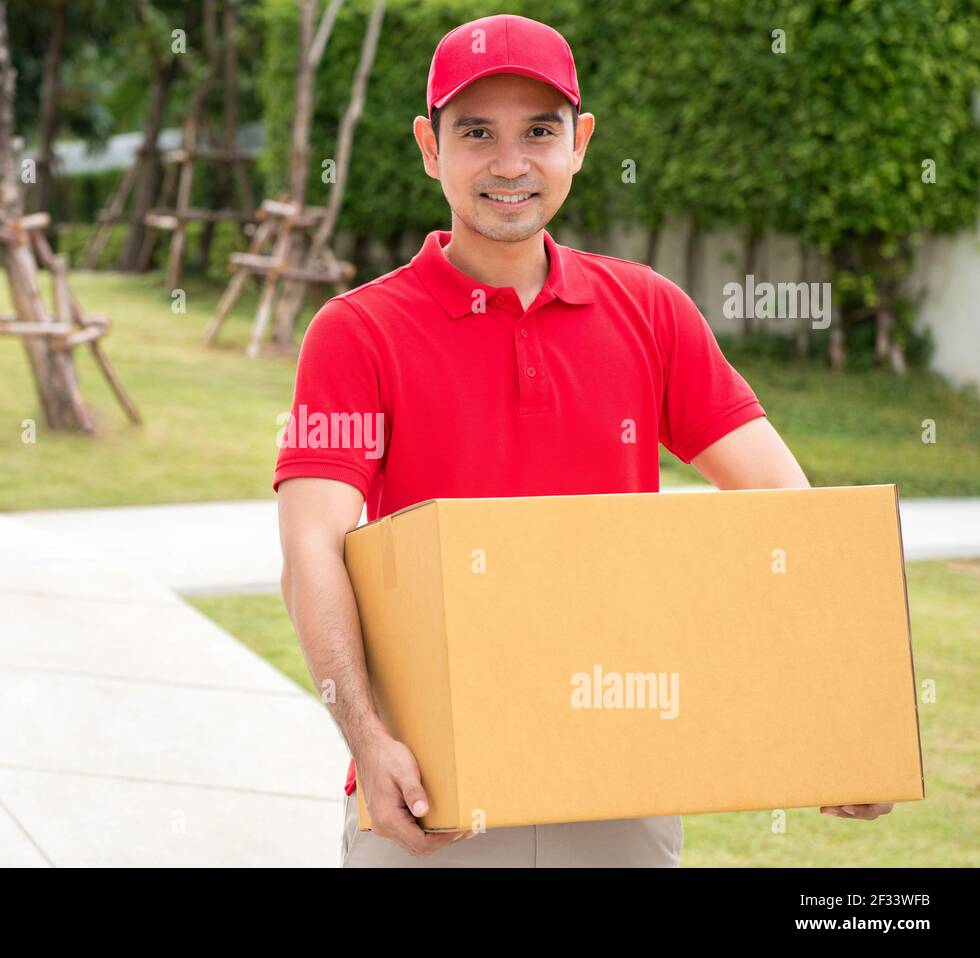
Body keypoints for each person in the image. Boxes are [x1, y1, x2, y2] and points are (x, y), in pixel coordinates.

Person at [273, 13, 893, 868]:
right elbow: (312, 554)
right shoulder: (355, 333)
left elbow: (792, 522)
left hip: (621, 787)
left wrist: (845, 717)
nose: (510, 163)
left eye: (539, 131)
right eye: (476, 133)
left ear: (581, 142)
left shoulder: (652, 312)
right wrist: (368, 740)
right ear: (429, 145)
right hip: (428, 797)